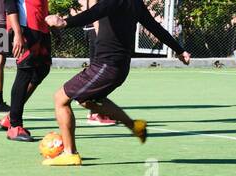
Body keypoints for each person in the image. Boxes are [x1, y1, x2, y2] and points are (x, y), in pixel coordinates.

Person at [42, 0, 191, 166]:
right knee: (87, 101)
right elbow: (154, 27)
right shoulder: (135, 3)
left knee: (60, 99)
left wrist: (65, 22)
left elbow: (95, 12)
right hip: (119, 67)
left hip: (106, 66)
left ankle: (70, 153)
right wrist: (179, 50)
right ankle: (135, 126)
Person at [0, 0, 69, 142]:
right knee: (25, 72)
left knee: (43, 70)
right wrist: (18, 34)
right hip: (25, 28)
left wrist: (53, 28)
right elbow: (10, 5)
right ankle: (15, 126)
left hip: (41, 29)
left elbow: (40, 5)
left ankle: (11, 115)